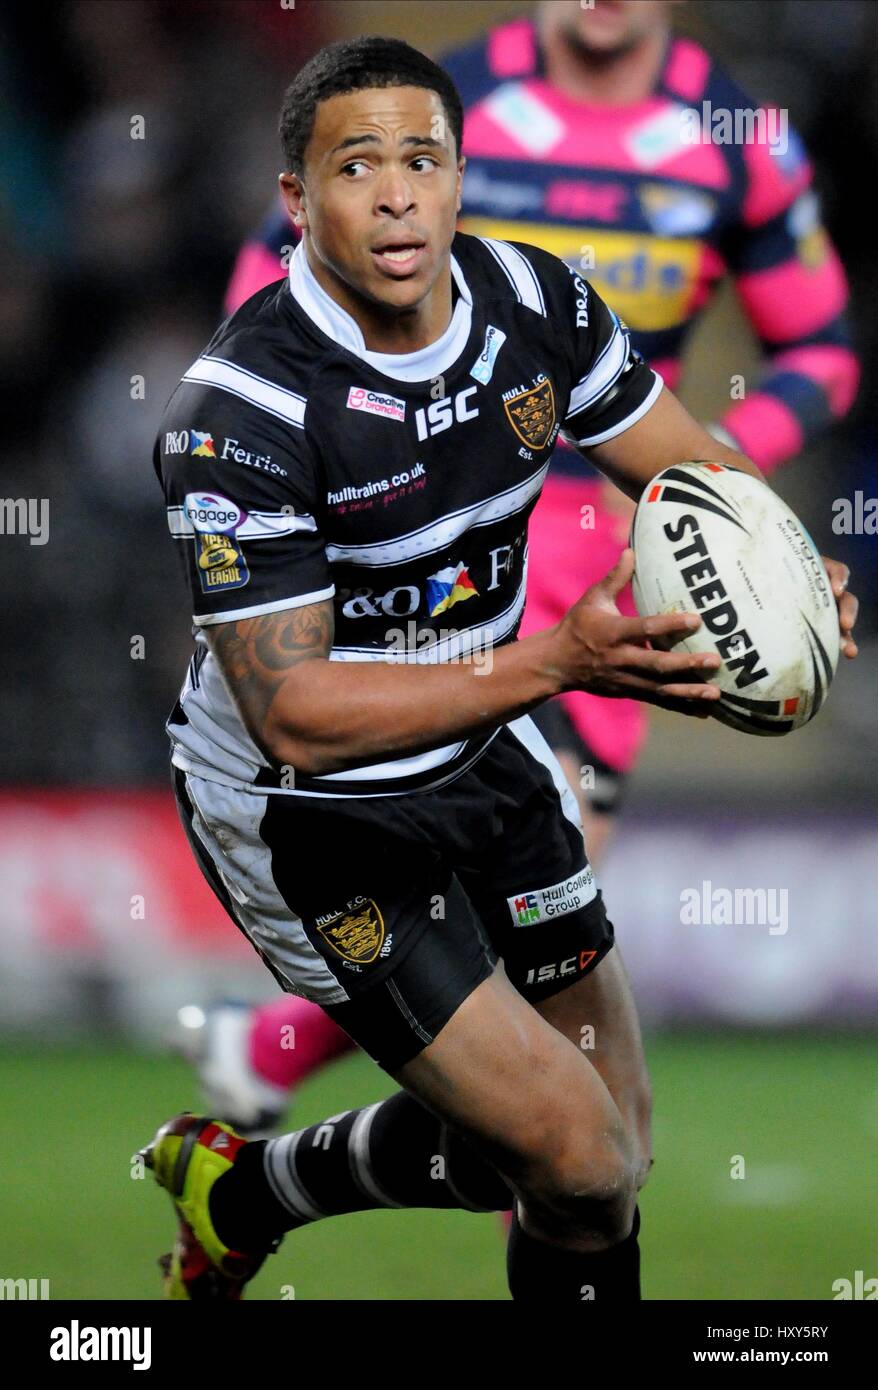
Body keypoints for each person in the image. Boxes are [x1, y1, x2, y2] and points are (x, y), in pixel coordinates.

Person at [143, 36, 858, 1301]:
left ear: (463, 175)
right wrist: (560, 659)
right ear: (298, 202)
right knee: (571, 1156)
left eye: (423, 159)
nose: (399, 194)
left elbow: (690, 467)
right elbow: (299, 714)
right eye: (357, 168)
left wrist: (785, 568)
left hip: (484, 752)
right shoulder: (241, 411)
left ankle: (247, 1190)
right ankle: (253, 1186)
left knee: (605, 1164)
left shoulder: (538, 303)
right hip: (311, 815)